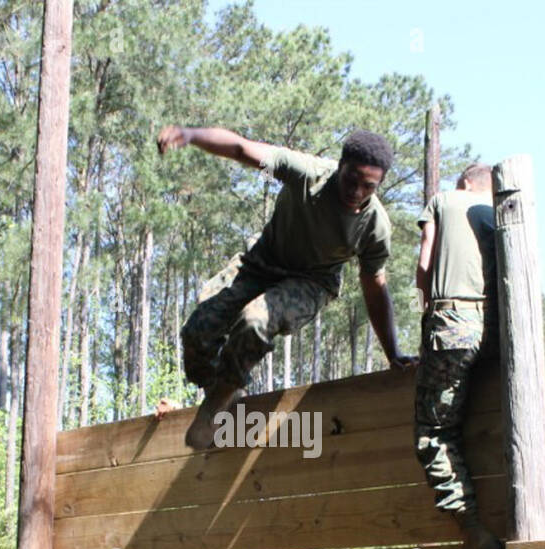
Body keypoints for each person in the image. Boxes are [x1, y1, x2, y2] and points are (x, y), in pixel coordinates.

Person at [155, 124, 416, 449]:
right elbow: (241, 148)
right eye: (352, 179)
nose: (357, 191)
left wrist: (393, 352)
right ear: (341, 165)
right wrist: (190, 135)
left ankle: (213, 409)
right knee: (196, 333)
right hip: (260, 265)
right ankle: (225, 394)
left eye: (369, 186)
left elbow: (374, 284)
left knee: (255, 321)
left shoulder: (375, 225)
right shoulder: (308, 174)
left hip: (311, 283)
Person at [414, 163, 506, 549]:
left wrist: (427, 307)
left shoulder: (445, 200)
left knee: (434, 431)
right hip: (498, 332)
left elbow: (424, 265)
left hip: (453, 324)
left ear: (467, 183)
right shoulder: (501, 213)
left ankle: (473, 531)